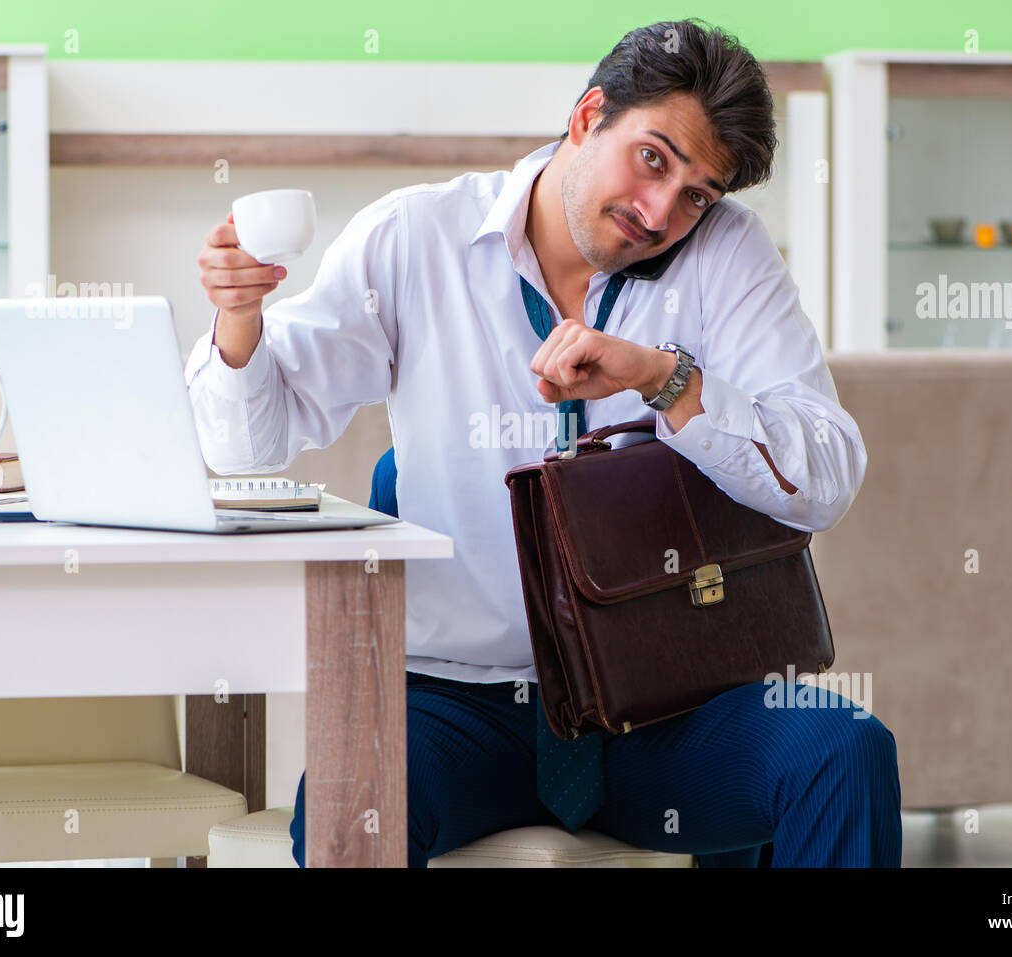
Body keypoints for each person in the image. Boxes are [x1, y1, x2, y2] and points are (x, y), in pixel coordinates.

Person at [185, 17, 901, 867]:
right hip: (458, 704)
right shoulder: (416, 239)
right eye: (654, 158)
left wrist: (668, 379)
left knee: (843, 750)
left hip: (666, 710)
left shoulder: (727, 256)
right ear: (589, 114)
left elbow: (826, 473)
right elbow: (247, 439)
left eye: (698, 193)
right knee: (358, 798)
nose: (660, 212)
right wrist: (239, 321)